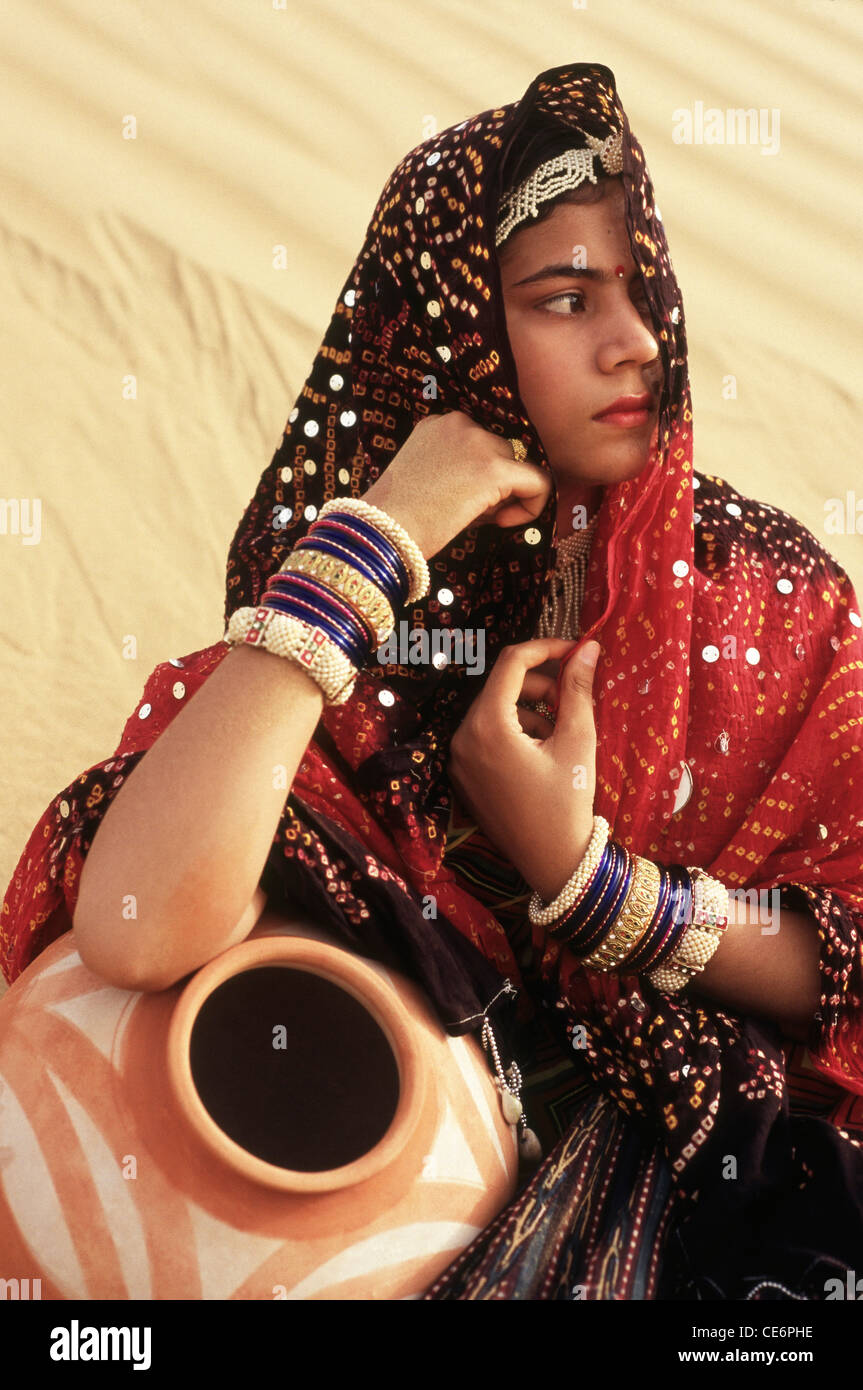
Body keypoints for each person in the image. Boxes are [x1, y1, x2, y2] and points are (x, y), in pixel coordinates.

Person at [3, 61, 863, 1300]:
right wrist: (380, 536)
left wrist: (589, 881)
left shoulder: (761, 597)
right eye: (564, 300)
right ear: (449, 328)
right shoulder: (357, 636)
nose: (634, 340)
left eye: (640, 286)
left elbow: (843, 940)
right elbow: (139, 924)